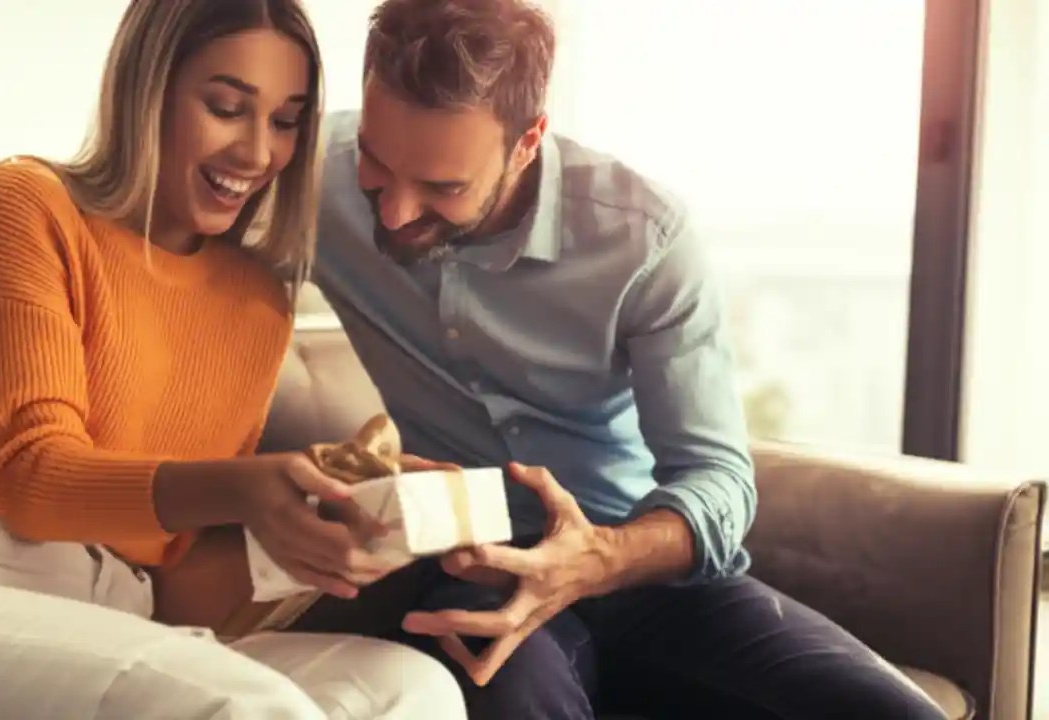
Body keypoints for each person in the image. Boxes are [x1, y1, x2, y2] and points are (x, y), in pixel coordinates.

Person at [0, 1, 466, 718]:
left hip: (119, 618)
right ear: (147, 89)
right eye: (226, 108)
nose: (256, 153)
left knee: (411, 690)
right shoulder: (29, 203)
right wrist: (248, 488)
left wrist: (322, 530)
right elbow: (29, 477)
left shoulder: (257, 302)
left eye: (284, 121)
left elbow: (175, 593)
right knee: (245, 705)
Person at [303, 0, 951, 717]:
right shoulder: (309, 176)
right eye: (374, 162)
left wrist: (599, 557)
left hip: (642, 564)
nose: (393, 211)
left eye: (443, 187)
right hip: (477, 568)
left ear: (527, 142)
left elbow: (718, 479)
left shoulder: (644, 240)